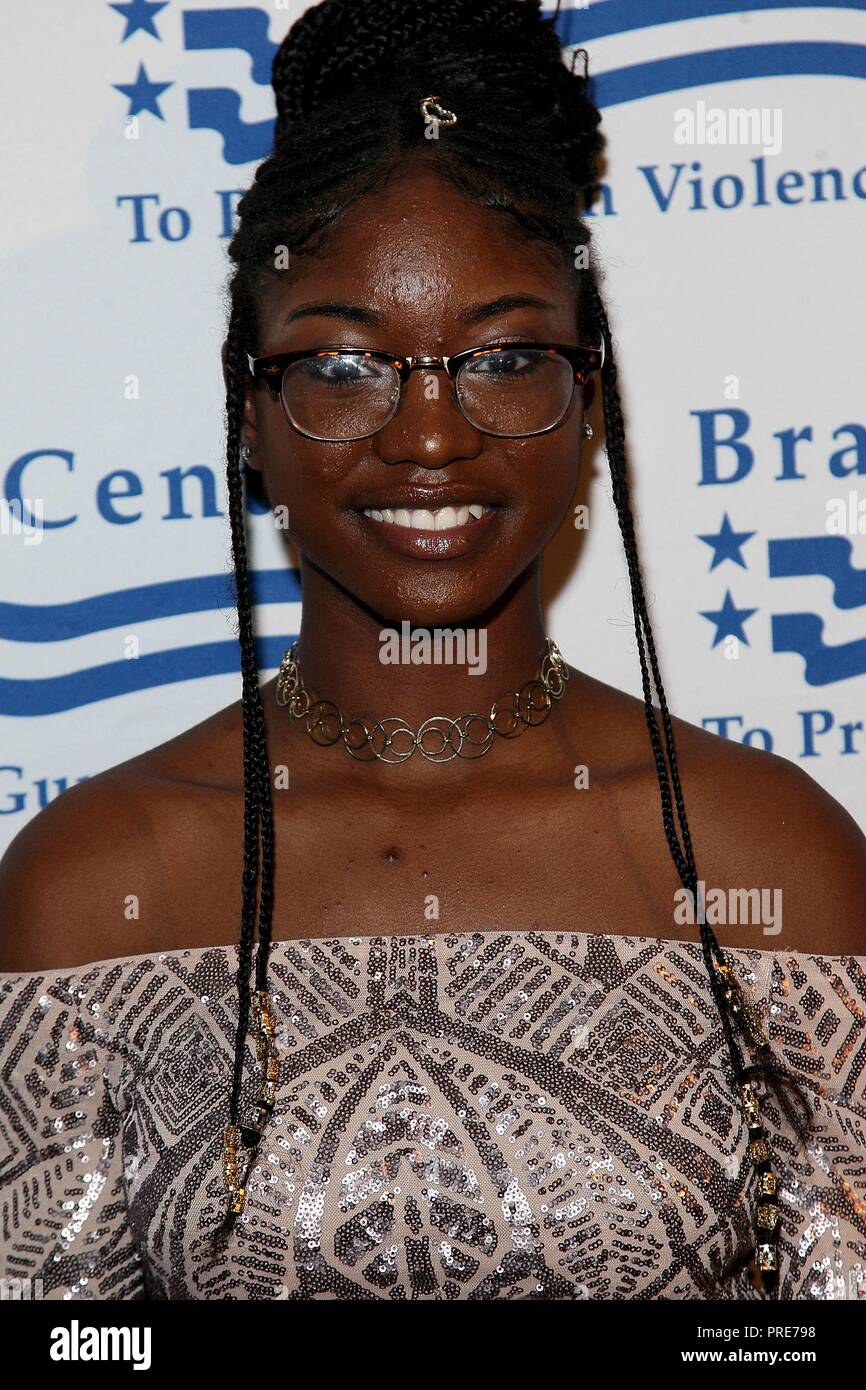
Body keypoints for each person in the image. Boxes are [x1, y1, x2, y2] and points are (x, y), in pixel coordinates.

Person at [1, 0, 864, 1302]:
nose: (426, 436)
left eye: (503, 356)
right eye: (344, 363)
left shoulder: (768, 854)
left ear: (590, 394)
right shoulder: (90, 881)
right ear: (251, 409)